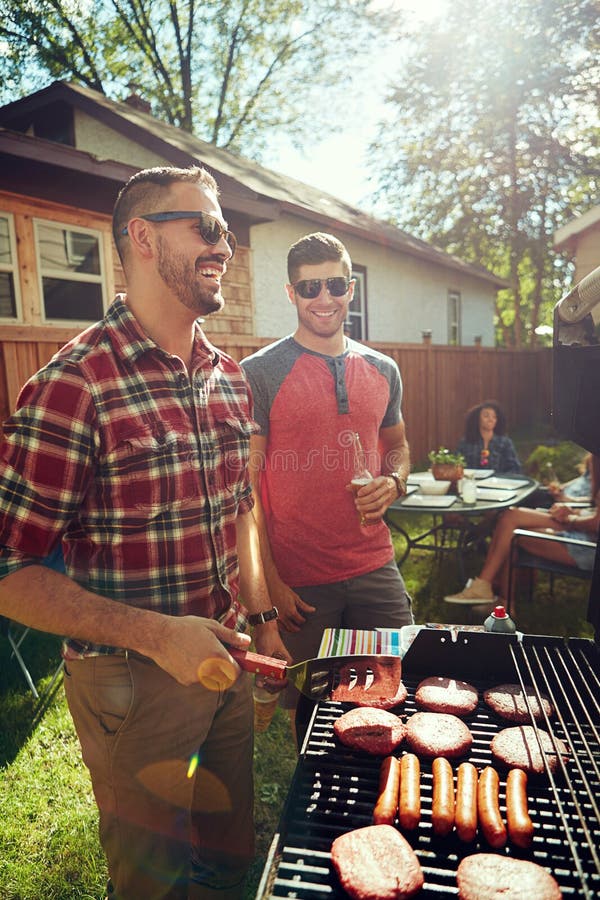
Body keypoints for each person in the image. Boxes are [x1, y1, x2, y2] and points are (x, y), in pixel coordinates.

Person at [0, 165, 290, 900]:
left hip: (228, 658)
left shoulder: (229, 377)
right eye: (204, 225)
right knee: (154, 879)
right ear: (141, 237)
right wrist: (160, 636)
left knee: (230, 855)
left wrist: (259, 617)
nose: (222, 243)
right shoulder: (75, 386)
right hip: (131, 682)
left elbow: (239, 511)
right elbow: (10, 570)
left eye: (224, 230)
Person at [241, 232, 414, 735]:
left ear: (351, 289)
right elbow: (244, 494)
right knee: (312, 706)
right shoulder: (259, 373)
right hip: (300, 577)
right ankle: (317, 801)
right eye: (309, 287)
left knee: (390, 689)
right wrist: (271, 583)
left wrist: (395, 481)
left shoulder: (384, 369)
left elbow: (399, 445)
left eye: (334, 285)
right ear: (291, 294)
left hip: (373, 563)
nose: (324, 298)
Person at [445, 455, 600, 605]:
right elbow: (595, 509)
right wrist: (571, 509)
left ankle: (499, 599)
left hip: (589, 546)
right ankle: (487, 586)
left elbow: (596, 524)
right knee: (510, 516)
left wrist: (571, 518)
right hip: (583, 526)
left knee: (510, 535)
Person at [457, 400, 521, 473]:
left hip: (498, 483)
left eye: (494, 417)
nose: (491, 419)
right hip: (472, 482)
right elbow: (457, 465)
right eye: (486, 416)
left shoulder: (505, 443)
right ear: (477, 419)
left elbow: (515, 468)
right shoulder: (466, 442)